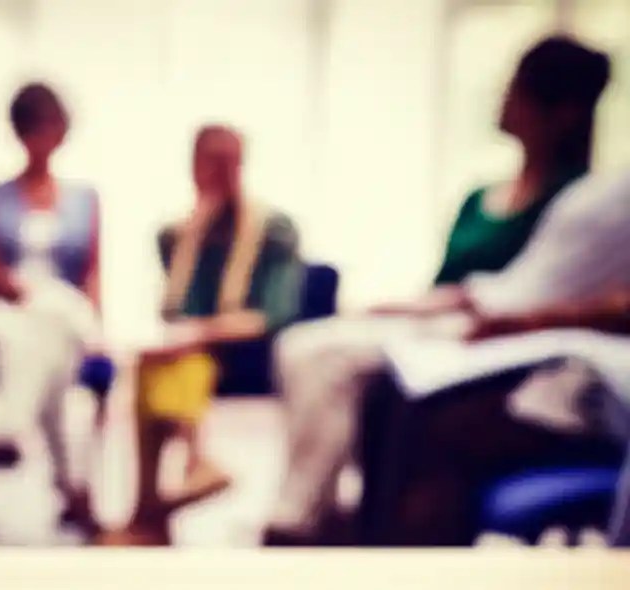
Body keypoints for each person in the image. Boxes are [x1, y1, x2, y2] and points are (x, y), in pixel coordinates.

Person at [264, 36, 612, 545]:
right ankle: (328, 510)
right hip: (443, 322)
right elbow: (448, 284)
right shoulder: (479, 197)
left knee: (329, 359)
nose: (504, 97)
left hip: (492, 340)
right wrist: (397, 307)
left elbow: (520, 295)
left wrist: (459, 312)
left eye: (518, 87)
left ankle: (299, 522)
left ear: (563, 111)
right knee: (308, 347)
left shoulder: (581, 203)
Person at [105, 125, 304, 545]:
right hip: (194, 348)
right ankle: (155, 508)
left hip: (251, 352)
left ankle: (156, 503)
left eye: (228, 162)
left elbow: (275, 314)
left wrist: (202, 333)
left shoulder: (274, 230)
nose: (219, 173)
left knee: (183, 358)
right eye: (209, 163)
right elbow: (176, 310)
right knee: (153, 360)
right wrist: (193, 237)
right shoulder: (175, 235)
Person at [358, 288, 630, 546]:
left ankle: (404, 550)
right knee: (400, 407)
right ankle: (387, 546)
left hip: (601, 399)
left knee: (441, 425)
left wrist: (519, 321)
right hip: (587, 390)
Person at [0, 82, 102, 536]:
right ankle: (68, 485)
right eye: (35, 127)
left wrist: (88, 315)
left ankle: (9, 438)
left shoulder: (85, 200)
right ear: (20, 132)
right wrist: (30, 296)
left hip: (55, 319)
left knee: (47, 342)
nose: (43, 137)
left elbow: (92, 274)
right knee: (36, 337)